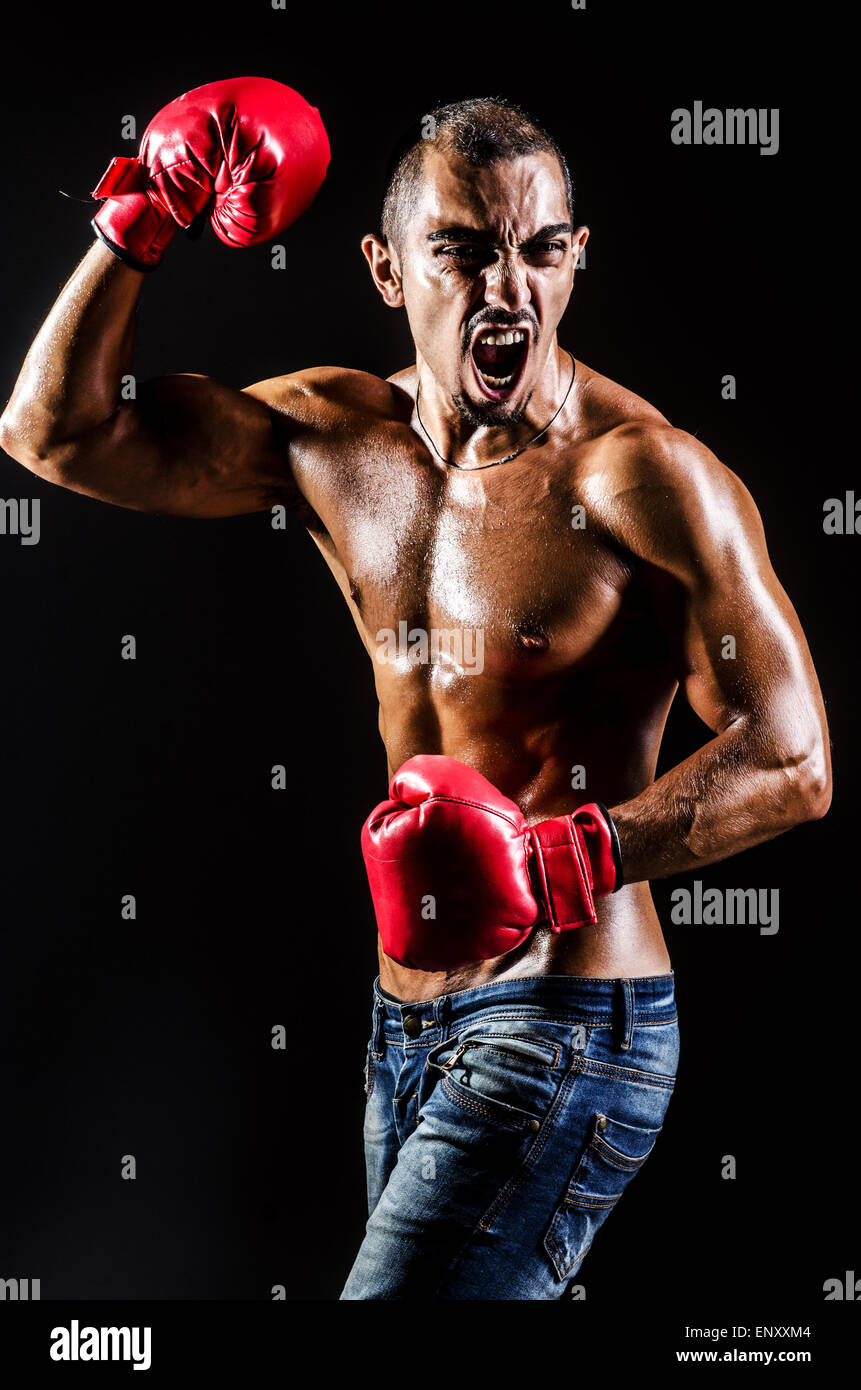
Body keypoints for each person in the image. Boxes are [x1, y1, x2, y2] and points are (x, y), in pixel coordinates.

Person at [0, 79, 831, 1300]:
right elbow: (53, 433)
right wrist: (141, 217)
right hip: (403, 1024)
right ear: (389, 271)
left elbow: (793, 758)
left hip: (566, 1023)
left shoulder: (644, 477)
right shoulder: (338, 438)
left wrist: (564, 863)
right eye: (465, 253)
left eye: (543, 251)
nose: (511, 293)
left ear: (576, 256)